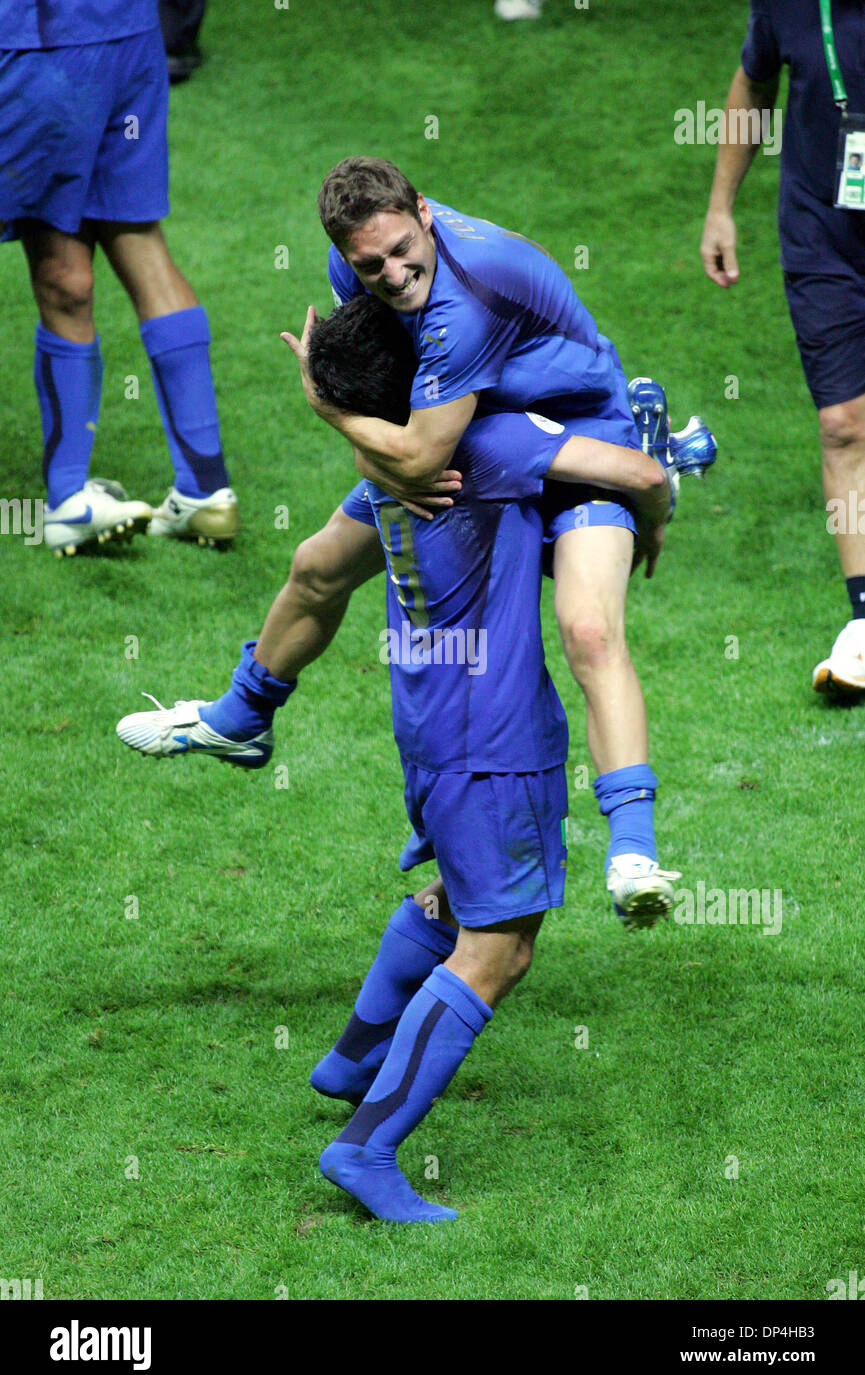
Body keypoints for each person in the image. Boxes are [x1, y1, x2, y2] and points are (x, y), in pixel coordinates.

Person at [118, 294, 671, 1222]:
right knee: (500, 945)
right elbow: (632, 471)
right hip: (495, 741)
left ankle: (349, 1057)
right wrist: (653, 499)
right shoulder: (493, 445)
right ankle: (366, 1147)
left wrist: (324, 399)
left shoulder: (381, 474)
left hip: (425, 724)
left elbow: (316, 569)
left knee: (458, 894)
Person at [276, 156, 688, 927]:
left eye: (403, 250)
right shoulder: (356, 268)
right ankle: (243, 712)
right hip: (477, 433)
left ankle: (632, 852)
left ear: (424, 211)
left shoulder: (472, 292)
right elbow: (399, 417)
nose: (394, 276)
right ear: (344, 252)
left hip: (577, 432)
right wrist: (388, 438)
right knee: (321, 562)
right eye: (371, 265)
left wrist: (652, 516)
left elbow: (417, 452)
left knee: (589, 627)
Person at [0, 0, 238, 556]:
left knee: (64, 268)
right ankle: (205, 489)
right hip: (130, 36)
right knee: (136, 237)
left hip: (41, 42)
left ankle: (66, 499)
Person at [700, 0, 865, 697]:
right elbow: (752, 82)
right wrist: (719, 206)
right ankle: (863, 621)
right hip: (820, 233)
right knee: (841, 423)